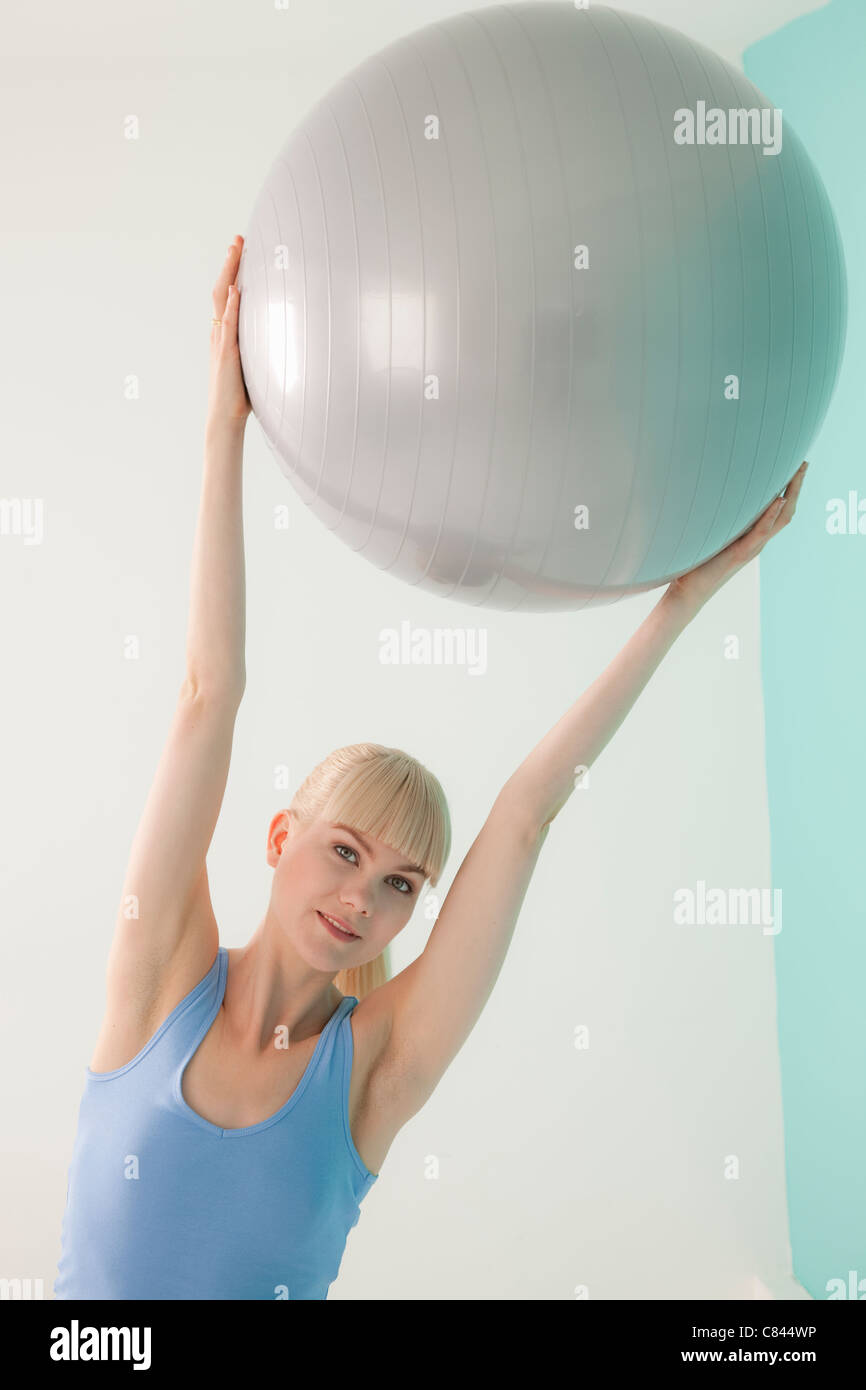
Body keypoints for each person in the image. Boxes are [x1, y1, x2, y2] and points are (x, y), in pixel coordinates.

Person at [54, 236, 807, 1301]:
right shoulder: (156, 981)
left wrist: (680, 601)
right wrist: (223, 428)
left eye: (401, 883)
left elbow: (524, 816)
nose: (363, 896)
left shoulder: (374, 1070)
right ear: (281, 838)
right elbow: (205, 694)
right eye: (346, 851)